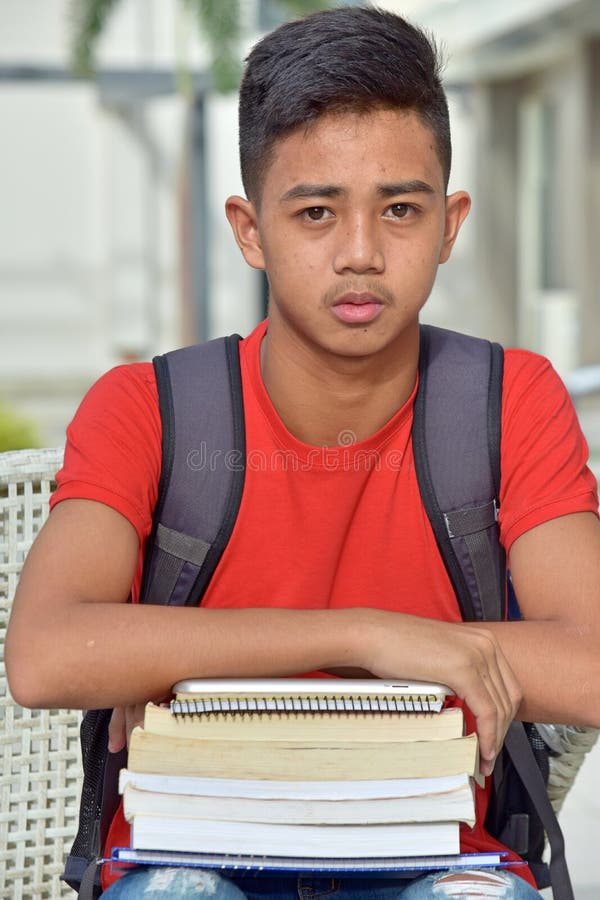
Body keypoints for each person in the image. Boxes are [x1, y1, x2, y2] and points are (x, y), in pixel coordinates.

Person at [6, 6, 600, 899]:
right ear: (250, 230)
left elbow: (591, 667)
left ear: (450, 221)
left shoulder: (509, 401)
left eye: (401, 208)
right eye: (316, 212)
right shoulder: (149, 410)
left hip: (435, 854)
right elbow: (46, 653)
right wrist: (374, 637)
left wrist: (172, 654)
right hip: (188, 855)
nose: (360, 255)